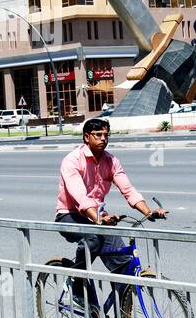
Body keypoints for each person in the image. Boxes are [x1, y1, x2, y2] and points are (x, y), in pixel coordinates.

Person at [56, 118, 167, 278]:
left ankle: (122, 301)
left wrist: (148, 212)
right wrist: (99, 220)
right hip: (69, 215)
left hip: (98, 215)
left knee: (124, 263)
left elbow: (128, 190)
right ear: (87, 137)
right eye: (98, 135)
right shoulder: (72, 160)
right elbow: (81, 197)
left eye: (106, 135)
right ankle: (77, 285)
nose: (103, 139)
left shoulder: (111, 161)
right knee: (94, 238)